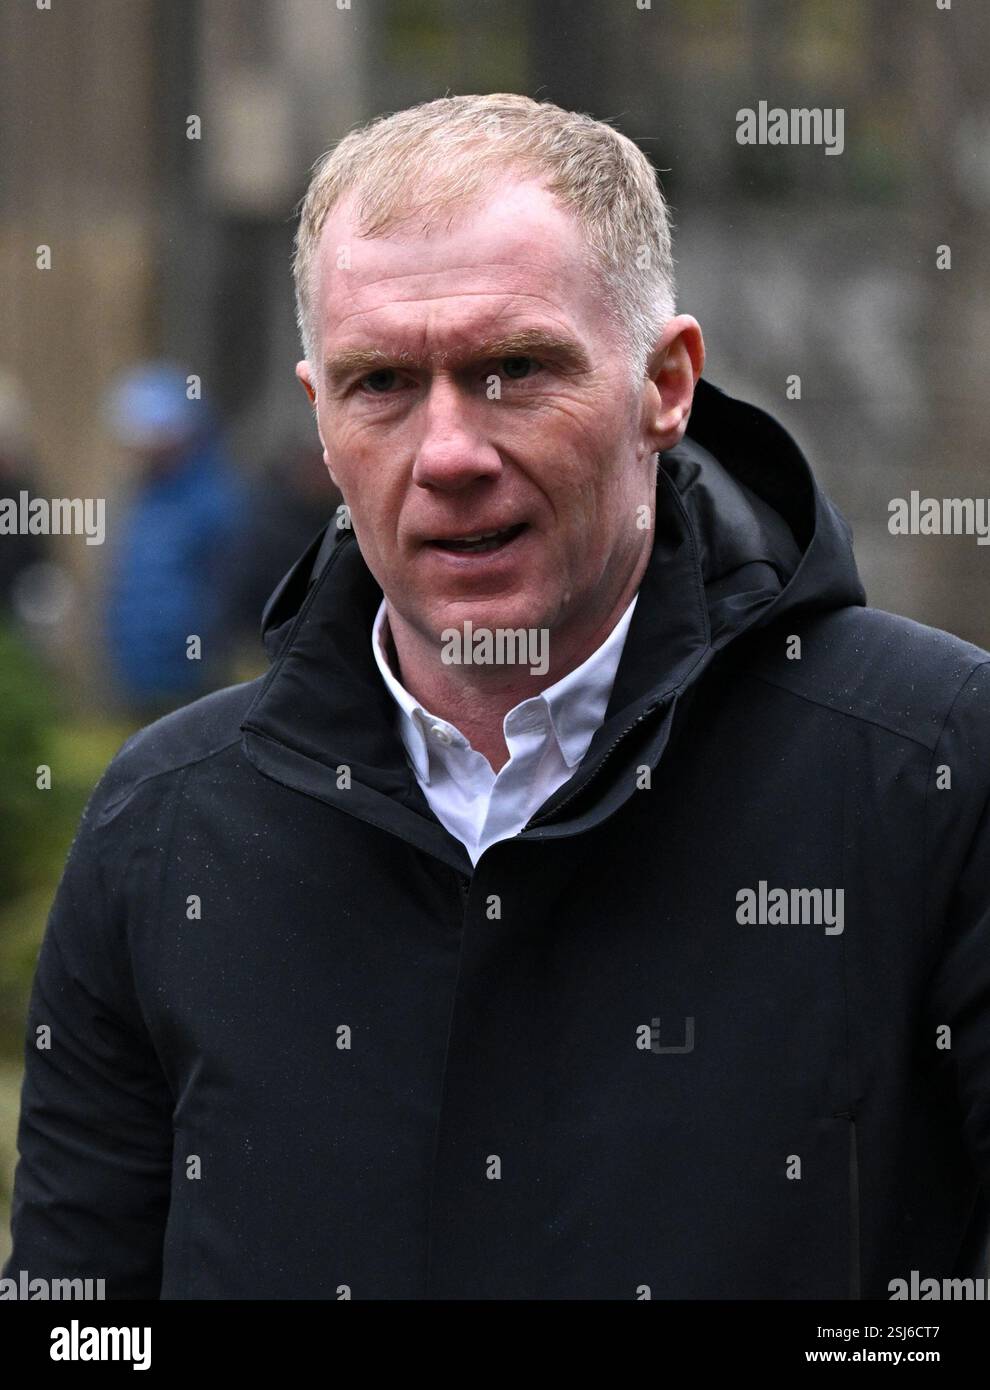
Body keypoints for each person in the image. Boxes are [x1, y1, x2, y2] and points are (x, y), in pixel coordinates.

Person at [4, 93, 989, 1300]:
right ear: (319, 417)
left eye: (513, 369)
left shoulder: (935, 767)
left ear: (666, 385)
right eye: (382, 384)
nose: (450, 451)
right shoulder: (160, 830)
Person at [102, 363, 247, 719]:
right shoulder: (140, 500)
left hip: (195, 678)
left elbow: (228, 589)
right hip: (136, 675)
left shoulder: (216, 502)